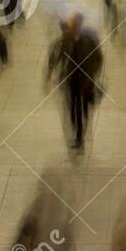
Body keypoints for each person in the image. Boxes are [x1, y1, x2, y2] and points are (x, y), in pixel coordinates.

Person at [46, 12, 104, 151]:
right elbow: (56, 57)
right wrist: (51, 73)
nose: (72, 28)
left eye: (75, 25)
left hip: (85, 82)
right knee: (73, 109)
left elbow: (99, 58)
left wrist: (92, 73)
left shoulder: (88, 41)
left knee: (83, 108)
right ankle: (78, 133)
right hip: (71, 81)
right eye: (71, 25)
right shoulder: (65, 40)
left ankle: (80, 135)